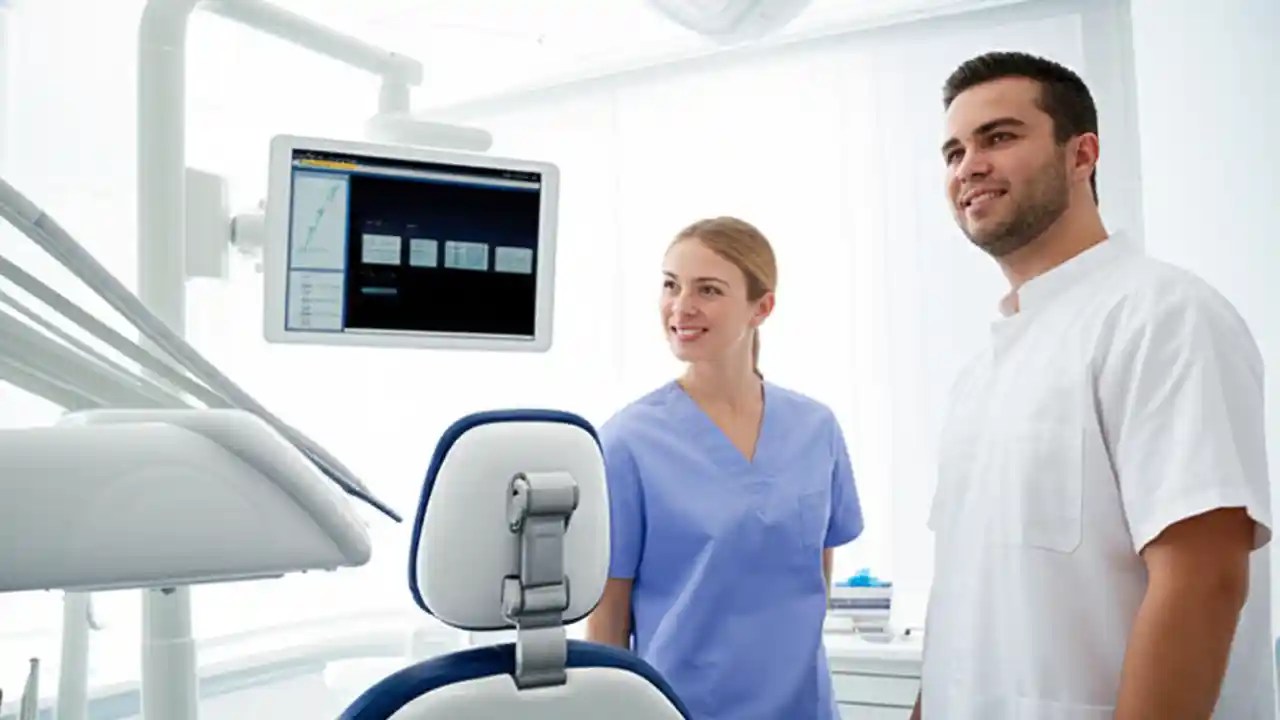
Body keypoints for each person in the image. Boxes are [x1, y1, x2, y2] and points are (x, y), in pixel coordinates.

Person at [913, 50, 1274, 719]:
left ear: (1082, 156)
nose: (969, 166)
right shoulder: (979, 377)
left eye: (999, 137)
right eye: (953, 151)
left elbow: (1204, 581)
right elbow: (961, 604)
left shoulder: (1164, 316)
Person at [584, 216, 865, 719]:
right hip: (682, 709)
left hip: (804, 707)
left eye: (708, 290)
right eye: (671, 285)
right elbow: (608, 620)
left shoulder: (815, 428)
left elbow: (814, 582)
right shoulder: (629, 441)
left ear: (763, 307)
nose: (681, 306)